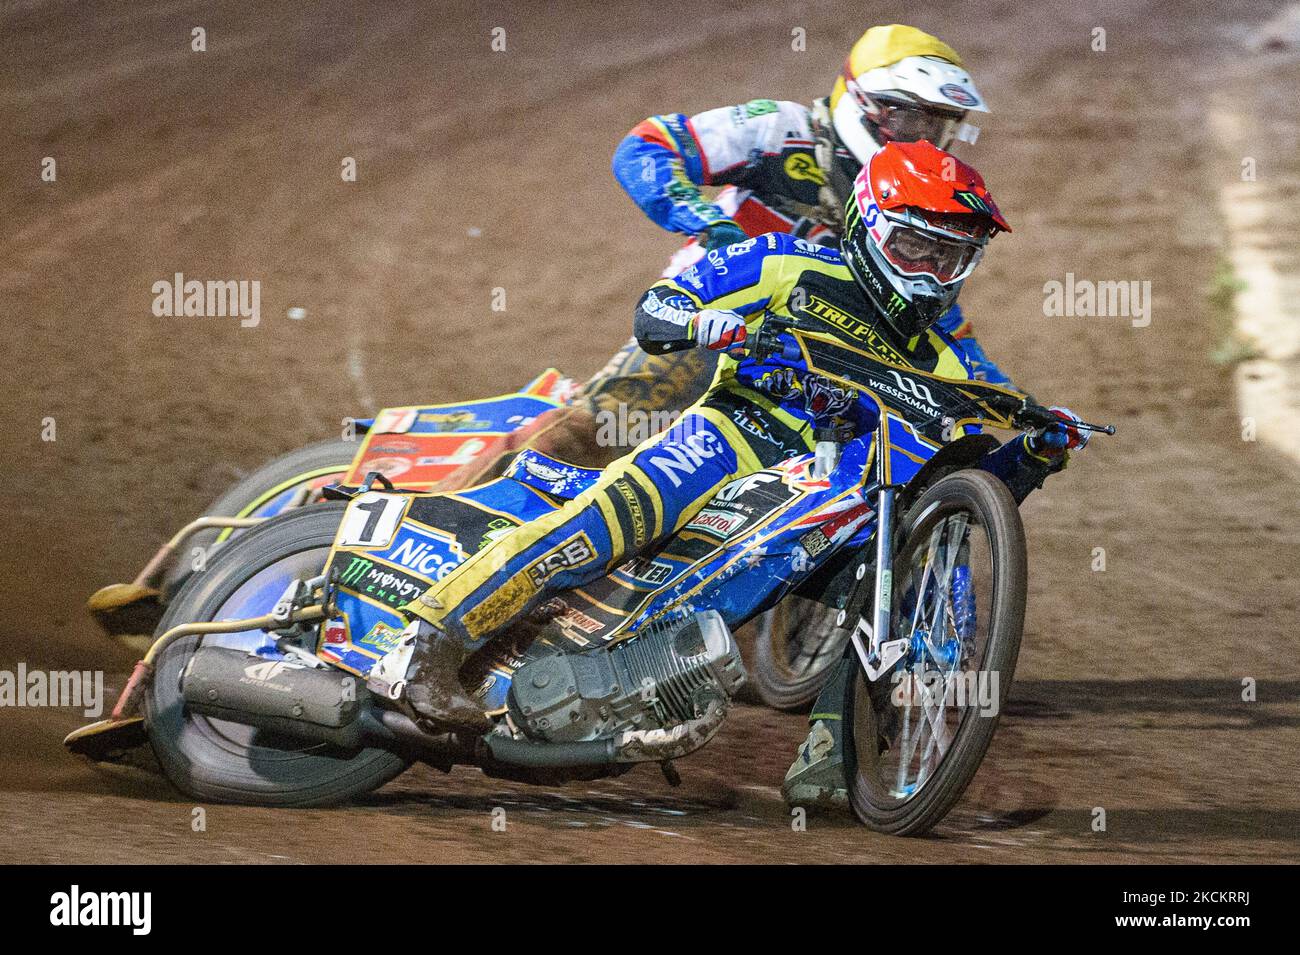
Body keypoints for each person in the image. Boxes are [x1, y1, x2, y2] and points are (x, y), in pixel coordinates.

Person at [395, 142, 1089, 761]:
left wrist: (1035, 451)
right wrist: (704, 320)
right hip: (728, 438)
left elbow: (965, 496)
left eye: (953, 256)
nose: (934, 272)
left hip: (822, 495)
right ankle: (429, 643)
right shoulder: (787, 263)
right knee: (605, 521)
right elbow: (657, 308)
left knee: (887, 572)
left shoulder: (950, 360)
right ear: (871, 228)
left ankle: (827, 758)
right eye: (917, 246)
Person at [432, 24, 1012, 491]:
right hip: (711, 319)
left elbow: (931, 308)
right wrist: (710, 224)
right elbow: (647, 145)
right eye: (911, 117)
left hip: (814, 355)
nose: (924, 140)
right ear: (863, 102)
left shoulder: (925, 202)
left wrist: (1010, 403)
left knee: (861, 481)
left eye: (939, 125)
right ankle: (445, 517)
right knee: (596, 431)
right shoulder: (785, 130)